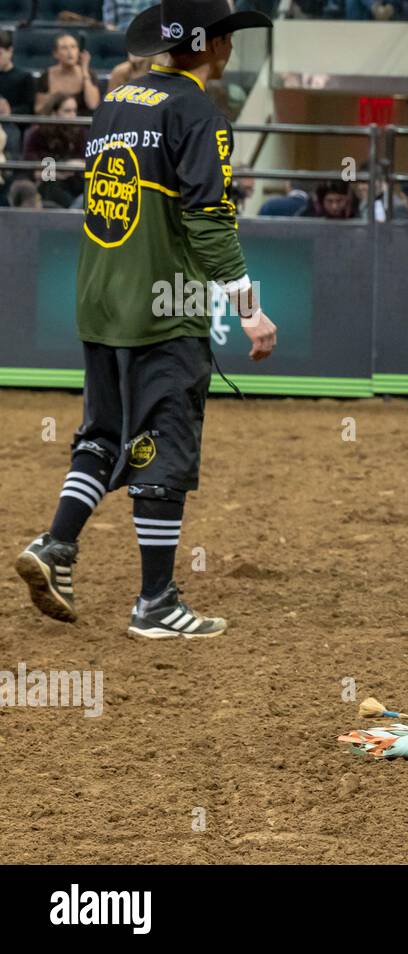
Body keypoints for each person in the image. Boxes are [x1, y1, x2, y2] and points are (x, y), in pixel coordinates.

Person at [16, 0, 278, 638]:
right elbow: (208, 219)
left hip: (102, 296)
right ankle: (155, 602)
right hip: (166, 302)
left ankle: (56, 544)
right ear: (212, 46)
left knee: (105, 435)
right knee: (163, 445)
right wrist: (250, 308)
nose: (231, 47)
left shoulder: (116, 102)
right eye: (226, 37)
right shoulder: (199, 114)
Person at [21, 93, 87, 207]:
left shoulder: (80, 133)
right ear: (54, 113)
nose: (73, 115)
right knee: (50, 185)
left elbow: (84, 163)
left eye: (74, 111)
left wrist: (56, 169)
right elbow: (35, 171)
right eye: (67, 111)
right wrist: (62, 169)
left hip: (75, 182)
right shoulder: (38, 133)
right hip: (49, 185)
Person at [35, 33, 101, 116]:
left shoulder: (89, 74)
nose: (70, 52)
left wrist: (84, 71)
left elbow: (93, 105)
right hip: (54, 123)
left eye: (73, 47)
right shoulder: (46, 75)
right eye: (64, 48)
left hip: (82, 125)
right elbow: (39, 110)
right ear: (55, 54)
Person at [0, 31, 37, 161]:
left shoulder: (24, 78)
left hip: (13, 127)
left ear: (10, 51)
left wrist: (10, 111)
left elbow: (30, 110)